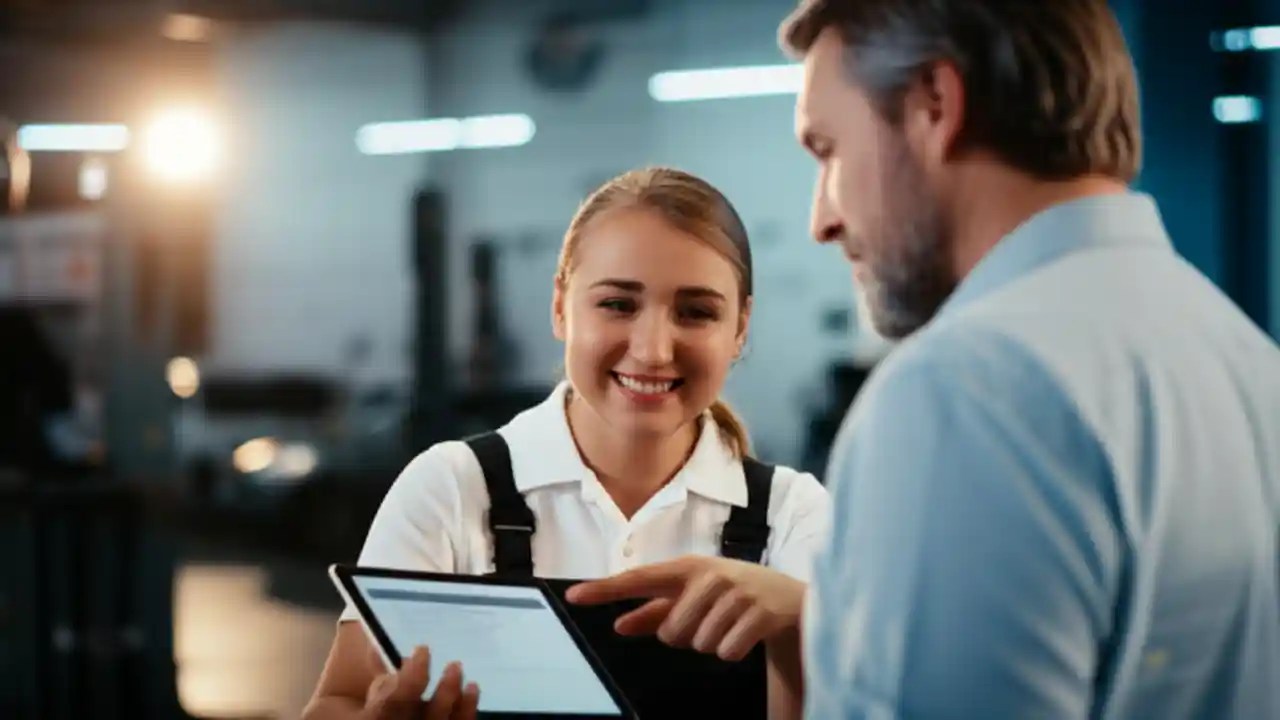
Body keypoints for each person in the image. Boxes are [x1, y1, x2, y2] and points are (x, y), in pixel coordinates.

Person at [570, 1, 1280, 718]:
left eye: (829, 151)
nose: (823, 219)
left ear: (934, 105)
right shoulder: (1244, 357)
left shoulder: (967, 389)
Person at [302, 167, 830, 719]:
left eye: (695, 312)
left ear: (740, 327)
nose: (652, 350)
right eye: (618, 305)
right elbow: (337, 702)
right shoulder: (452, 490)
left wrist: (803, 617)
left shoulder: (793, 517)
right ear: (560, 305)